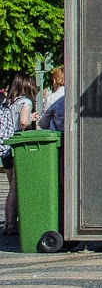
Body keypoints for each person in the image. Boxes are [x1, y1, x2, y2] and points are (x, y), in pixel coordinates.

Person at [3, 74, 39, 234]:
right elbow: (23, 122)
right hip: (17, 147)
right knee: (16, 187)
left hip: (5, 148)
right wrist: (32, 118)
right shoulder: (26, 102)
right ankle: (11, 225)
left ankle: (8, 223)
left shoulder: (10, 102)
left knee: (12, 187)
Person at [39, 66, 65, 132]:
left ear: (55, 80)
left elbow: (43, 124)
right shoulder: (74, 96)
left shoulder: (51, 98)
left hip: (58, 136)